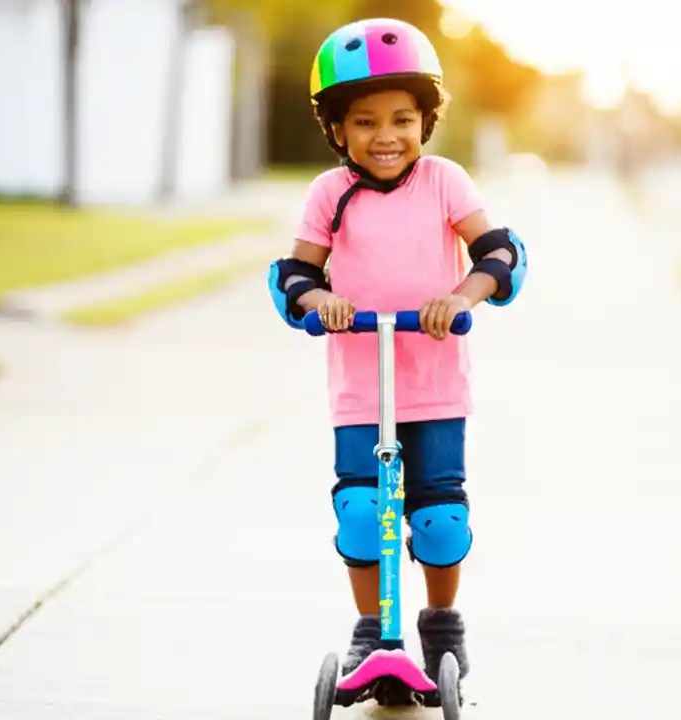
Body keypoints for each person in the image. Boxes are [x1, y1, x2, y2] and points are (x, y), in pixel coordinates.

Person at [266, 17, 528, 699]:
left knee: (440, 521)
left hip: (436, 386)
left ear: (427, 121)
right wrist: (319, 300)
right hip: (361, 387)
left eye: (403, 119)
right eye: (365, 122)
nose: (386, 136)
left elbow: (500, 252)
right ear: (337, 130)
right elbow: (293, 276)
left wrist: (462, 293)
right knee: (360, 512)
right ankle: (371, 628)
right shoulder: (330, 193)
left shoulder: (444, 181)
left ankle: (441, 624)